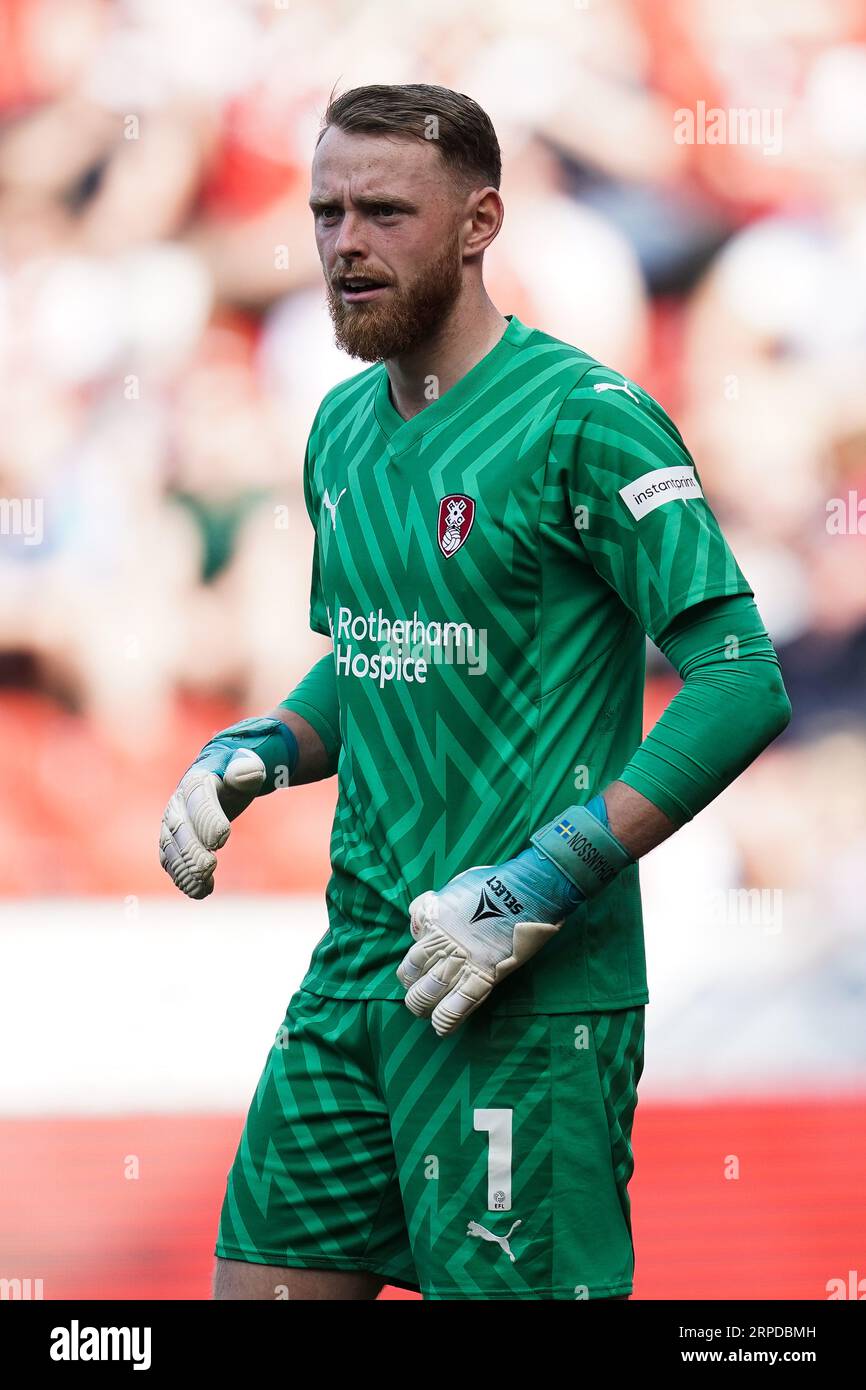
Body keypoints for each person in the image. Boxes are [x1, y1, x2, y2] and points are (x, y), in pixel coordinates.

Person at [159, 83, 791, 1301]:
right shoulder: (340, 428)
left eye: (385, 211)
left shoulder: (588, 421)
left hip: (527, 987)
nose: (345, 242)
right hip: (358, 969)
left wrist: (542, 877)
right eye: (326, 211)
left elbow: (738, 679)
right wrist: (262, 749)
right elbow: (380, 651)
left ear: (479, 222)